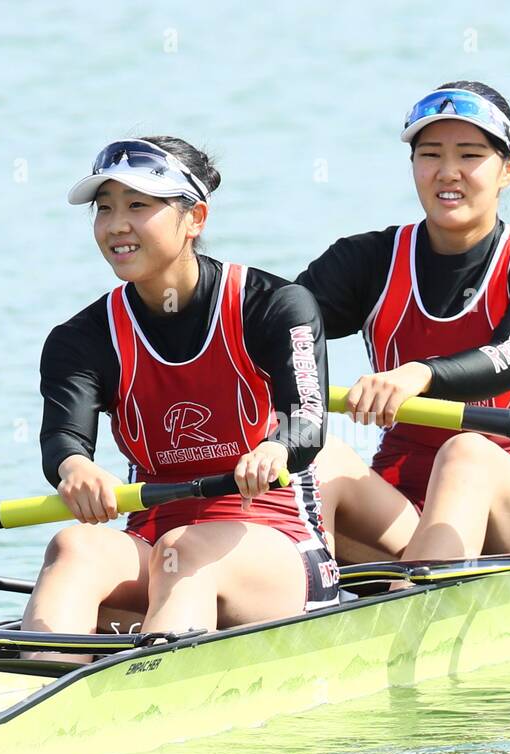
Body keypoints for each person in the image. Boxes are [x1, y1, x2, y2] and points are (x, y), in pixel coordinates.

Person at [22, 136, 337, 649]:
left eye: (139, 206)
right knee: (73, 543)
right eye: (105, 209)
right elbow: (63, 437)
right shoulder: (80, 339)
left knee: (183, 549)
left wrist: (277, 447)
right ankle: (35, 681)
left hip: (276, 543)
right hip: (153, 541)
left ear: (195, 219)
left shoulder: (275, 305)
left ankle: (148, 688)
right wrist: (74, 470)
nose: (117, 225)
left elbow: (306, 418)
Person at [297, 81, 510, 565]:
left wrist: (418, 374)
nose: (448, 173)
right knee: (315, 454)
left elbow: (506, 359)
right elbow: (271, 333)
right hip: (402, 508)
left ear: (508, 170)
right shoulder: (366, 259)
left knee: (465, 452)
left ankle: (408, 601)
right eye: (430, 155)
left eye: (469, 155)